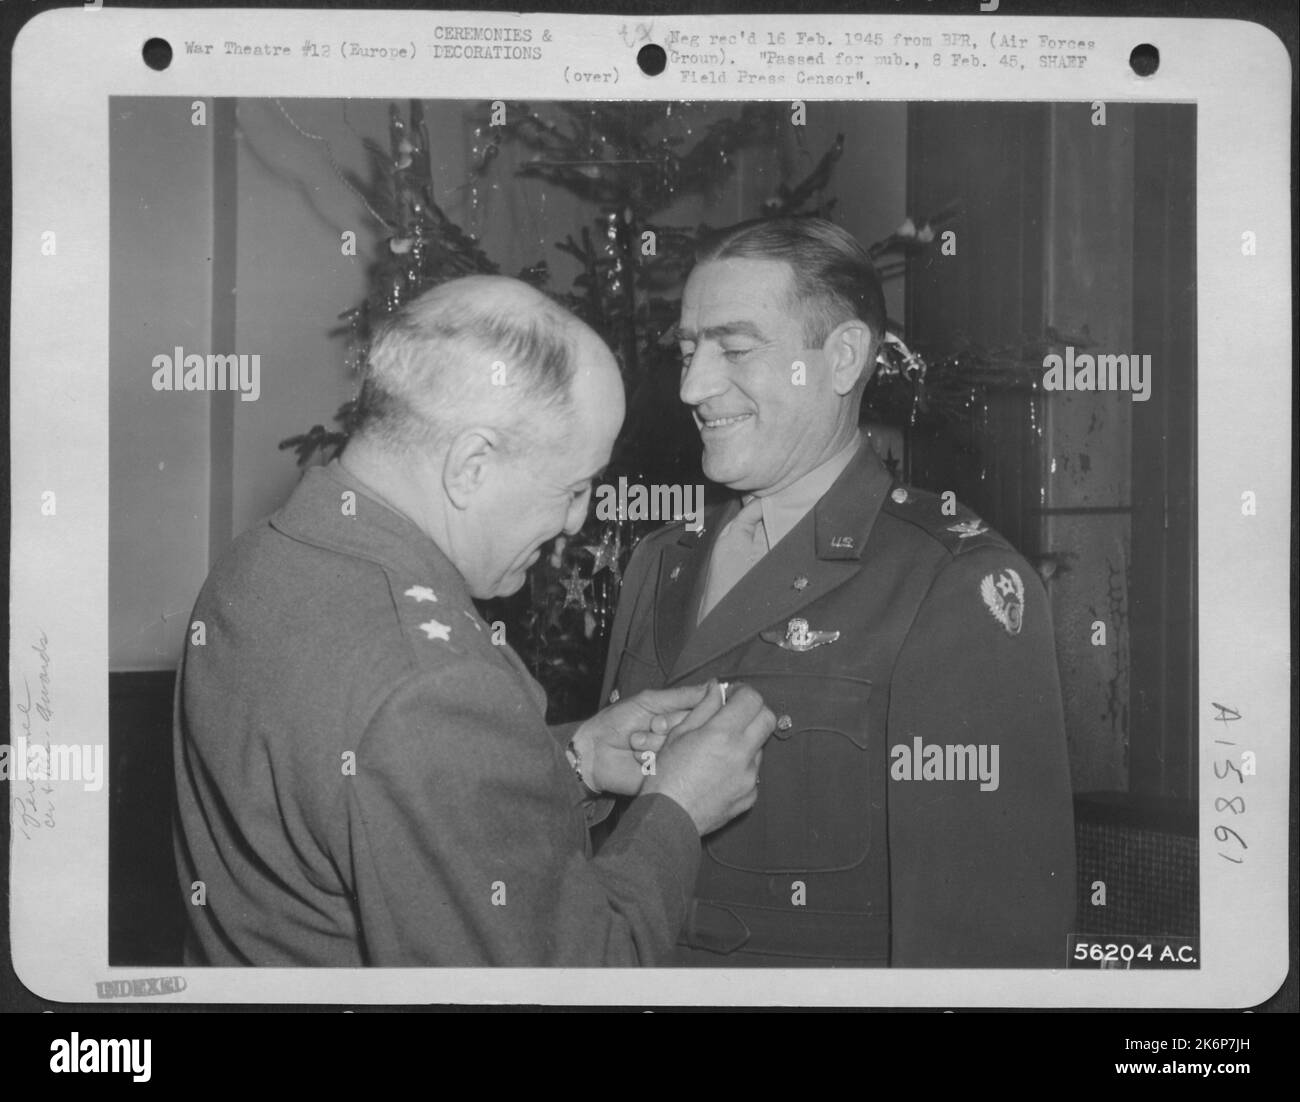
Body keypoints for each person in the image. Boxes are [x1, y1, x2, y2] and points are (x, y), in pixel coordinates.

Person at [173, 275, 774, 967]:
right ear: (471, 465)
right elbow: (575, 982)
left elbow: (371, 787)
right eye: (574, 488)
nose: (577, 522)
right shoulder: (434, 683)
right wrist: (678, 808)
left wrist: (570, 759)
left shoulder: (262, 559)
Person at [602, 217, 1076, 967]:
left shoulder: (953, 582)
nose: (693, 386)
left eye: (735, 347)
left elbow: (987, 946)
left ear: (844, 357)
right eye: (689, 350)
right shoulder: (660, 558)